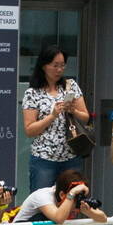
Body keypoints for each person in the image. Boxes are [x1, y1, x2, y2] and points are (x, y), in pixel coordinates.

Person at [22, 45, 90, 194]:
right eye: (55, 66)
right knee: (42, 202)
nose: (59, 70)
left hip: (71, 155)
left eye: (62, 65)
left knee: (72, 201)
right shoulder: (32, 93)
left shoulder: (70, 86)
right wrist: (52, 116)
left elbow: (85, 117)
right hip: (44, 158)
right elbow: (29, 130)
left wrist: (73, 110)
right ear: (44, 66)